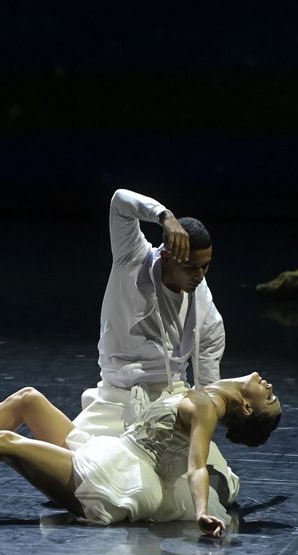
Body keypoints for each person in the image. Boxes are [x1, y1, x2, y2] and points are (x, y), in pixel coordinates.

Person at [0, 372, 282, 537]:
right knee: (28, 399)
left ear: (246, 409)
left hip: (120, 479)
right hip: (114, 451)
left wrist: (203, 511)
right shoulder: (211, 390)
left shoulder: (207, 406)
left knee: (6, 444)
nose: (270, 387)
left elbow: (196, 466)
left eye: (269, 398)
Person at [70, 188, 239, 508]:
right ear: (167, 256)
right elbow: (120, 201)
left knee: (219, 489)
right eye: (191, 267)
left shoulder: (203, 304)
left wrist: (207, 418)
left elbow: (207, 378)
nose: (200, 275)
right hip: (117, 401)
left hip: (169, 405)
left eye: (205, 267)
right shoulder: (132, 260)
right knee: (90, 479)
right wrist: (164, 216)